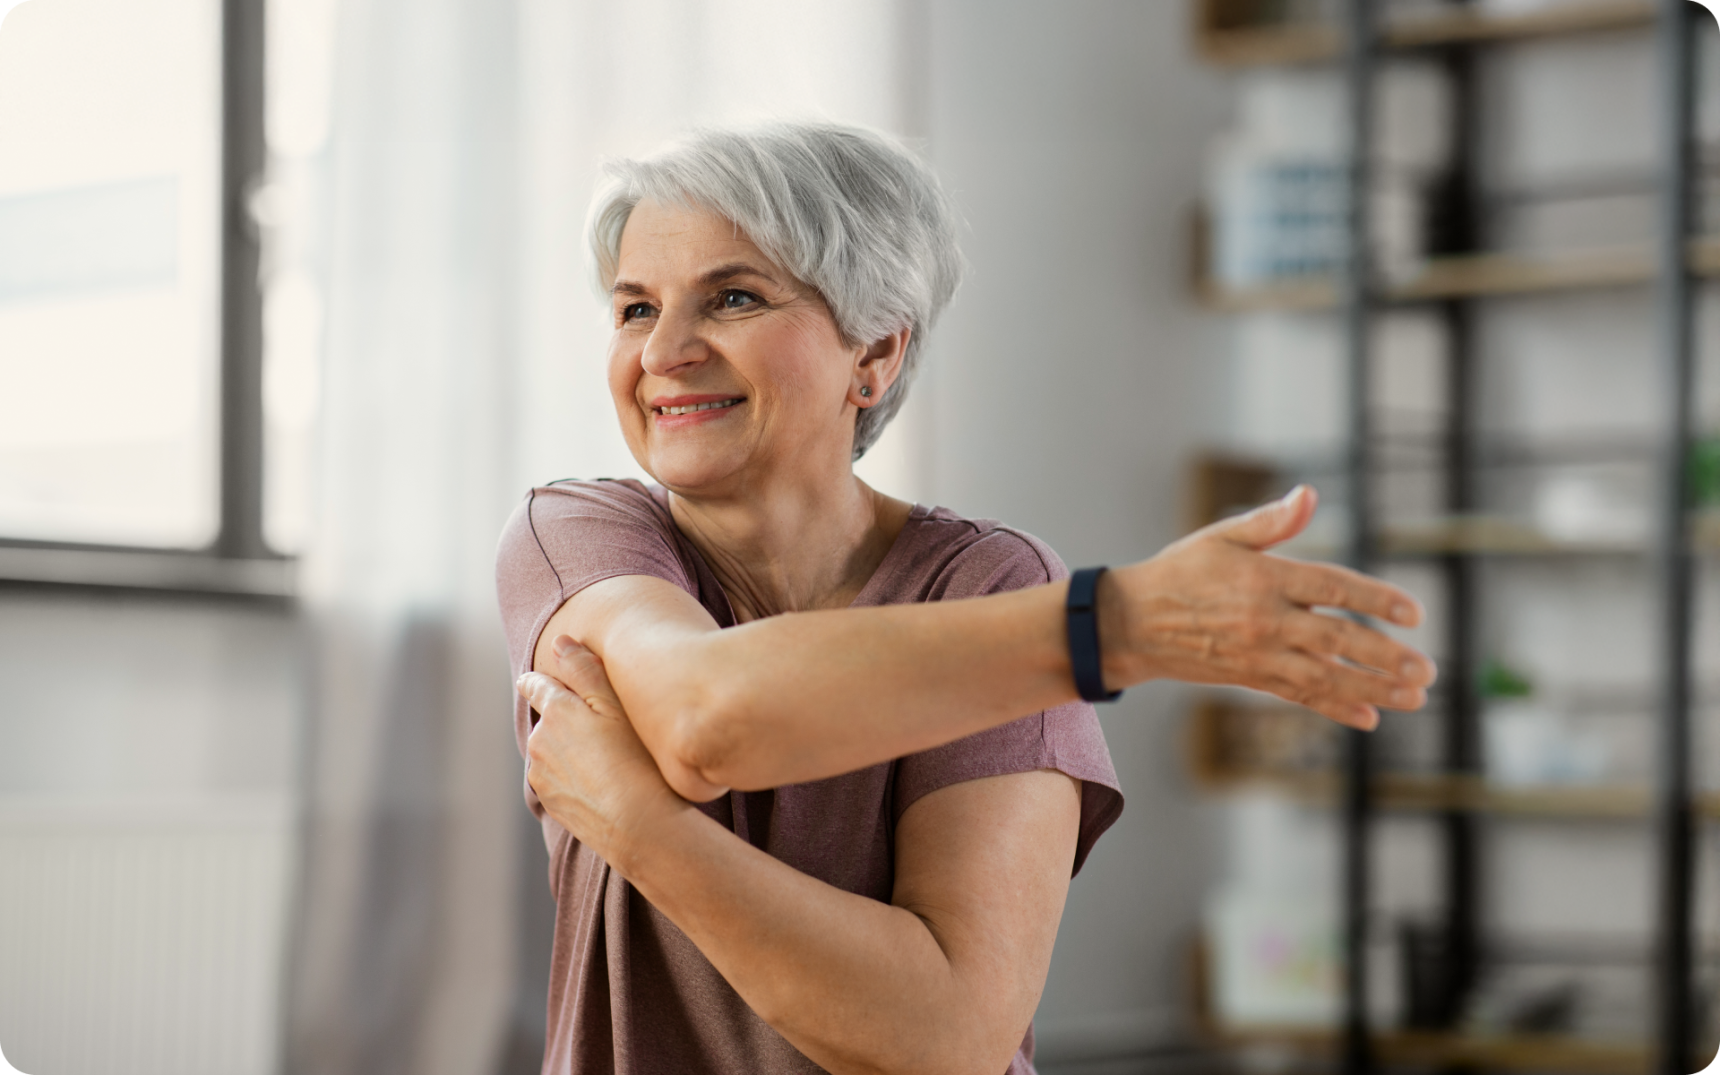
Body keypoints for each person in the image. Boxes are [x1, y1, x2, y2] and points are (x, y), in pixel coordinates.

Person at [497, 122, 1436, 1075]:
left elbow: (945, 1032)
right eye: (634, 309)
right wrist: (1112, 629)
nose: (664, 351)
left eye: (732, 297)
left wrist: (638, 822)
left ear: (875, 354)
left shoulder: (987, 585)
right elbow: (705, 715)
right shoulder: (578, 534)